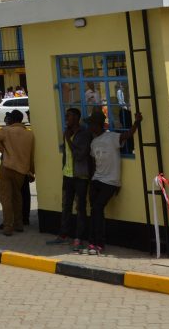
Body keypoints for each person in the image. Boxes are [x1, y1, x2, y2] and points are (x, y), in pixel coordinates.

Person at [87, 110, 142, 255]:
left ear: (97, 125)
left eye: (91, 125)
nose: (90, 128)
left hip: (110, 182)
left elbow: (128, 134)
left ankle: (99, 243)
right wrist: (91, 182)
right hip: (96, 180)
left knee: (97, 208)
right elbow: (94, 164)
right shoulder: (93, 143)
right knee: (94, 210)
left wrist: (136, 122)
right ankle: (93, 241)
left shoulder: (112, 137)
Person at [47, 107, 93, 250]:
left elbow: (80, 155)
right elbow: (67, 155)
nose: (66, 118)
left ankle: (79, 238)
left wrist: (68, 140)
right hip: (67, 175)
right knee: (66, 206)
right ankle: (63, 235)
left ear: (76, 119)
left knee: (80, 208)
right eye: (66, 116)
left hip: (80, 176)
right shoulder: (67, 132)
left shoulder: (84, 134)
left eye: (69, 116)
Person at [0, 110, 35, 236]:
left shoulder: (6, 131)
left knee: (6, 198)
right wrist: (31, 171)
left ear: (11, 120)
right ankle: (19, 223)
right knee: (17, 197)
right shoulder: (29, 135)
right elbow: (31, 155)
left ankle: (8, 226)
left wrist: (4, 151)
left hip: (7, 167)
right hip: (21, 170)